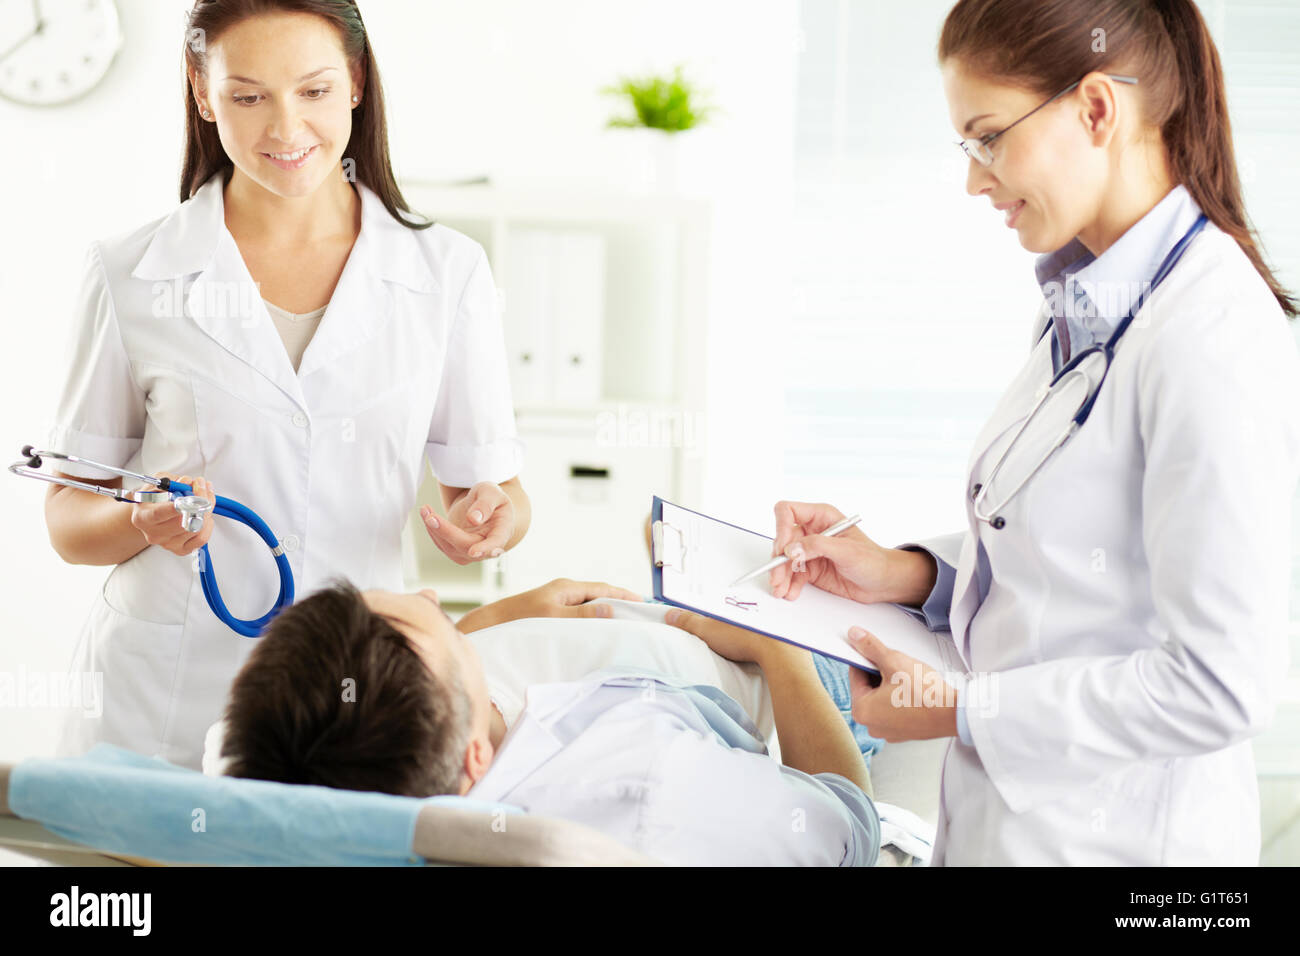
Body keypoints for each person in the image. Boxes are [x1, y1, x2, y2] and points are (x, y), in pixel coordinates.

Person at [765, 0, 1300, 865]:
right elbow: (1072, 553)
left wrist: (960, 710)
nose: (976, 180)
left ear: (1097, 108)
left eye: (988, 137)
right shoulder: (1089, 299)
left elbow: (1220, 686)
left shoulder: (1209, 338)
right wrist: (908, 575)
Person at [42, 0, 529, 770]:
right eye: (247, 96)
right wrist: (142, 519)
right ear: (203, 94)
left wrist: (492, 519)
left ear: (357, 84)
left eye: (313, 91)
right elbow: (67, 519)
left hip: (357, 705)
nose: (286, 129)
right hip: (159, 702)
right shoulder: (130, 273)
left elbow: (494, 493)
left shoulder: (446, 273)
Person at [216, 578, 882, 866]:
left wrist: (493, 623)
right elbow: (849, 827)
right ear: (472, 757)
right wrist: (776, 649)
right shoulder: (653, 787)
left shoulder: (304, 769)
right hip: (789, 698)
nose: (430, 594)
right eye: (441, 621)